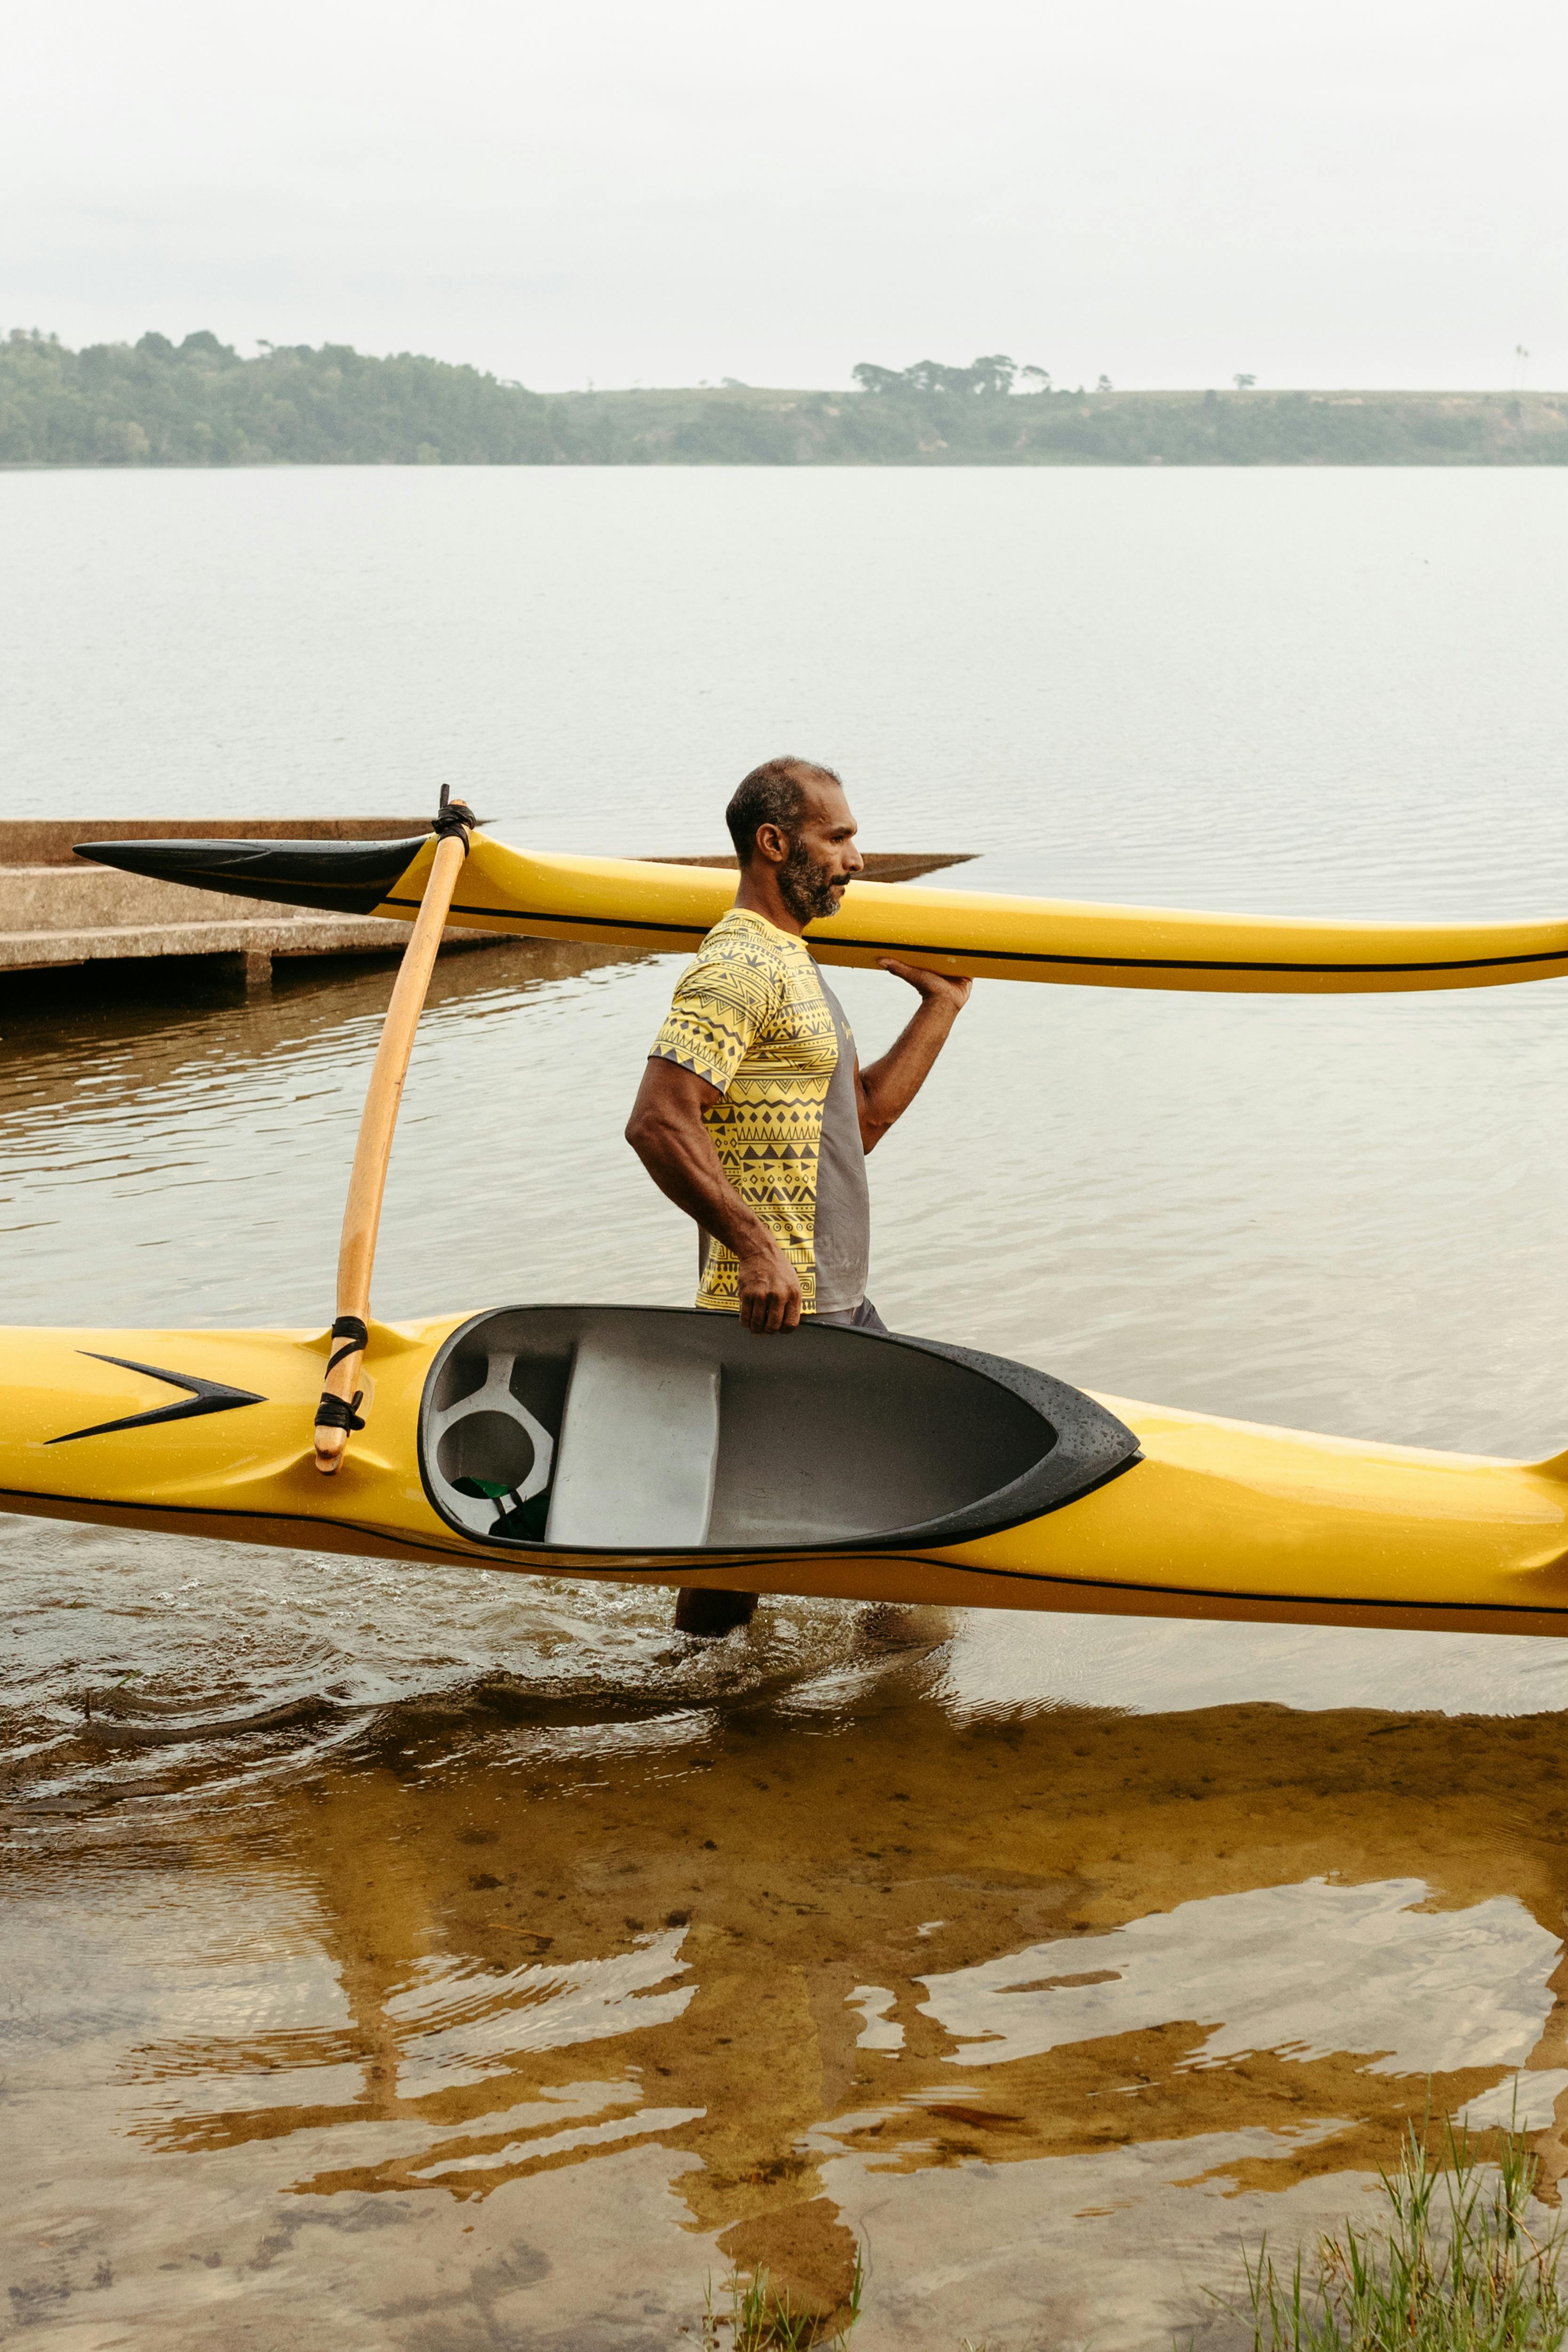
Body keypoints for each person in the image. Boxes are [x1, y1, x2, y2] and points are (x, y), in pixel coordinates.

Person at [625, 756, 971, 1632]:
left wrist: (943, 1006)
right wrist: (756, 1249)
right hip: (786, 1307)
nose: (857, 860)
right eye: (840, 838)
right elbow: (660, 1120)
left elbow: (862, 1121)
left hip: (826, 1296)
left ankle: (704, 1689)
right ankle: (886, 1703)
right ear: (774, 844)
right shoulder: (740, 966)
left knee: (740, 1534)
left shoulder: (798, 967)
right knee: (904, 1506)